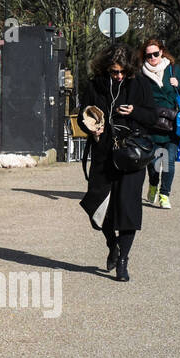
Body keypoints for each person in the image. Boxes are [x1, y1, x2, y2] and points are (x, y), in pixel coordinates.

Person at [77, 43, 159, 281]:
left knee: (128, 208)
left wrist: (134, 111)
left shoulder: (141, 84)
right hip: (103, 154)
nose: (119, 76)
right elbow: (83, 115)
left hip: (132, 155)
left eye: (123, 71)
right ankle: (112, 244)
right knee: (96, 205)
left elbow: (153, 117)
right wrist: (92, 127)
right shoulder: (95, 85)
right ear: (106, 69)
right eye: (114, 72)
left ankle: (123, 261)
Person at [138, 38, 180, 207]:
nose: (153, 57)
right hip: (151, 124)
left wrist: (179, 84)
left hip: (171, 124)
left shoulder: (173, 69)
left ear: (161, 52)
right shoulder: (141, 74)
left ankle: (164, 195)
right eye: (149, 55)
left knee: (168, 161)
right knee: (154, 162)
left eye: (155, 53)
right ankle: (153, 184)